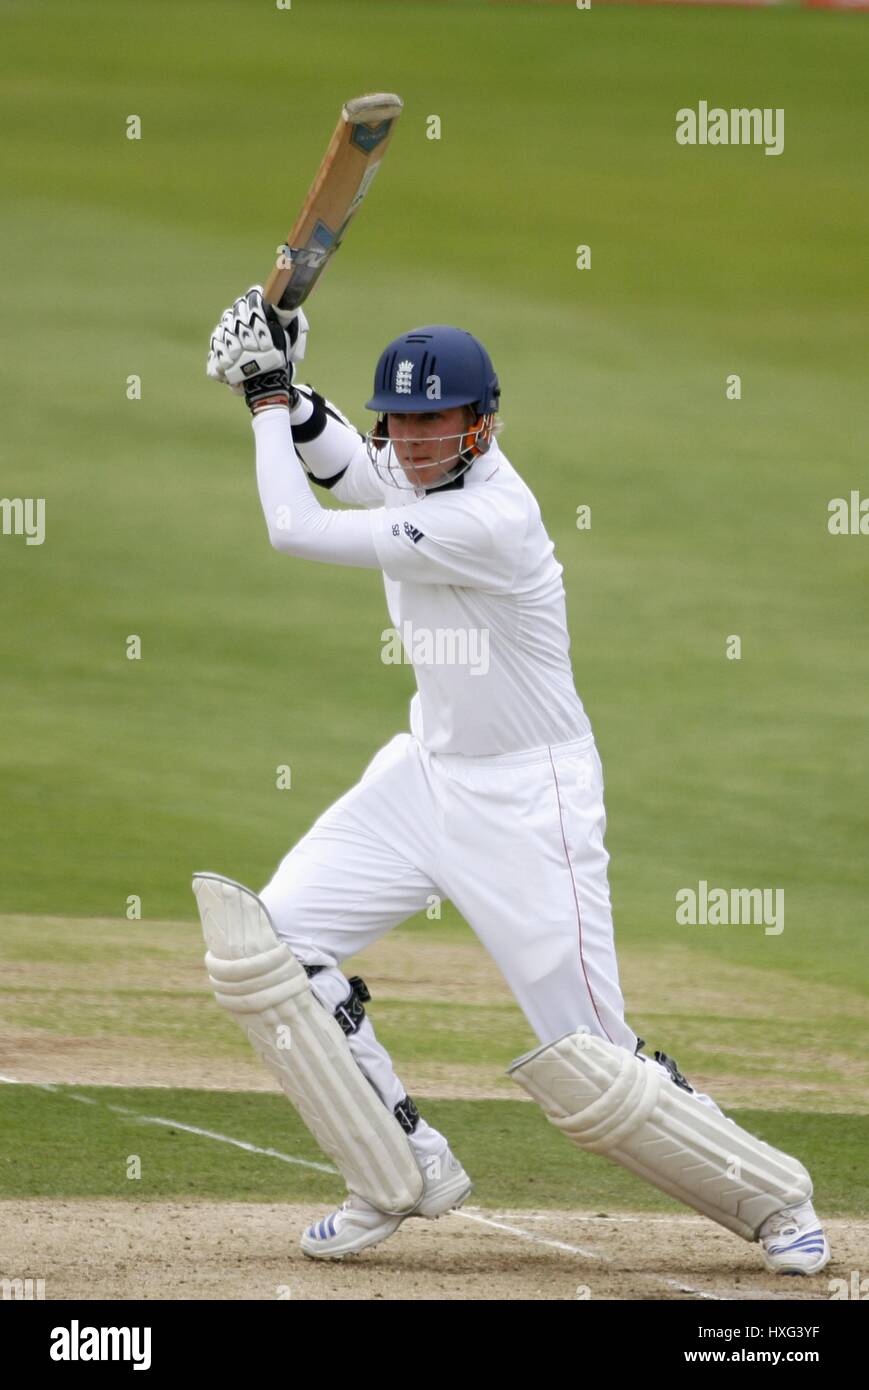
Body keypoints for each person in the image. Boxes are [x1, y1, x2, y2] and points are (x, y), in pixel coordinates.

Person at [201, 287, 830, 1275]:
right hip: (423, 775)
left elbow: (294, 524)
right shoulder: (419, 476)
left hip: (527, 797)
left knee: (590, 1062)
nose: (410, 441)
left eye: (432, 422)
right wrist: (289, 386)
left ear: (479, 424)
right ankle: (396, 1167)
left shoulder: (491, 514)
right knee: (263, 951)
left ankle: (774, 1199)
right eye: (398, 421)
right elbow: (349, 467)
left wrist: (266, 394)